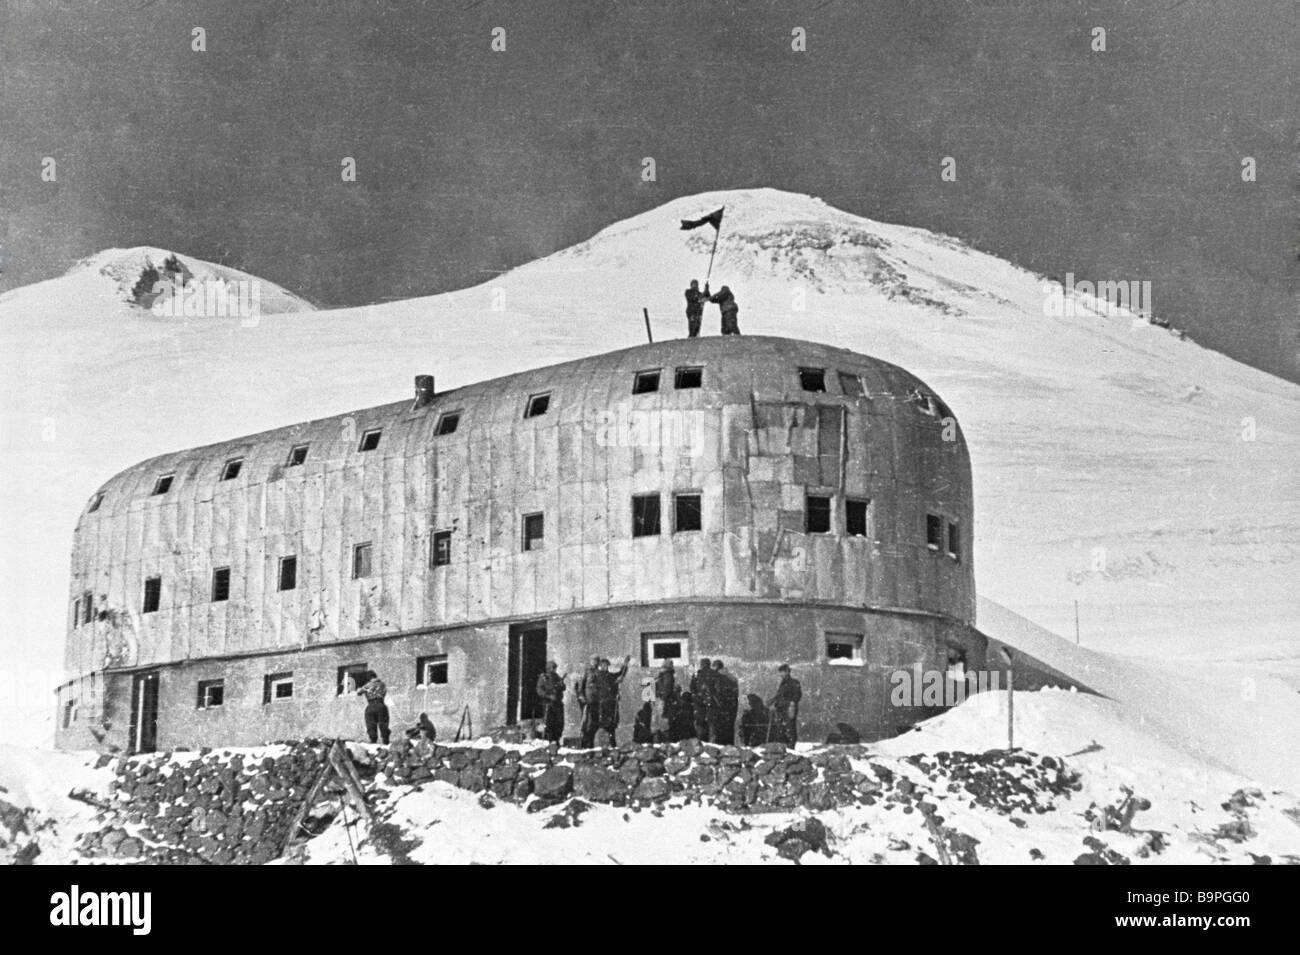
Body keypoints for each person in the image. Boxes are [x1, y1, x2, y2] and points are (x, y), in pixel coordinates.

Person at [769, 664, 802, 745]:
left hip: (788, 709)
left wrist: (792, 704)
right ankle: (784, 746)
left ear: (787, 672)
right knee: (781, 729)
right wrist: (772, 701)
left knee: (790, 728)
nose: (781, 674)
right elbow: (779, 695)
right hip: (780, 709)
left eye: (782, 672)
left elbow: (797, 695)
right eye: (780, 672)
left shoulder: (794, 682)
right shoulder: (782, 683)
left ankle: (791, 747)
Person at [535, 660, 566, 744]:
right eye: (552, 668)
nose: (554, 670)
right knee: (549, 722)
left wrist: (561, 685)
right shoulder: (543, 677)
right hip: (548, 703)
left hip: (558, 703)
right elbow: (539, 690)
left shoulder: (557, 677)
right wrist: (548, 696)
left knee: (559, 722)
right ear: (548, 668)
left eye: (555, 668)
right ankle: (550, 740)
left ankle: (556, 739)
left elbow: (563, 688)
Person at [356, 670, 390, 744]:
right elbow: (384, 692)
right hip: (381, 705)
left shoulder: (367, 685)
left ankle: (373, 741)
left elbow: (358, 693)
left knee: (371, 725)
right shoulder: (382, 684)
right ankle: (385, 741)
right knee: (383, 724)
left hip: (371, 706)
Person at [710, 659, 739, 745]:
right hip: (732, 708)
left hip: (722, 709)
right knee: (729, 731)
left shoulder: (719, 678)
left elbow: (719, 694)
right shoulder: (732, 678)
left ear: (716, 667)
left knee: (720, 733)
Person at [576, 654, 601, 747]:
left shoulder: (599, 672)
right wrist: (582, 697)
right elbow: (580, 686)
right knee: (587, 723)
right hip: (587, 701)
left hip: (597, 701)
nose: (595, 662)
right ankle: (585, 743)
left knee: (595, 722)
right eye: (593, 660)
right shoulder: (586, 671)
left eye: (597, 660)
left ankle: (590, 741)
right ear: (590, 661)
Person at [690, 657, 716, 741]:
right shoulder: (714, 674)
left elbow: (692, 688)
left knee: (700, 725)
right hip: (711, 703)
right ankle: (712, 745)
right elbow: (718, 689)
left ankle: (700, 743)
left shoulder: (697, 674)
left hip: (699, 704)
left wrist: (697, 698)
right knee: (711, 725)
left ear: (701, 665)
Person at [653, 659, 679, 743]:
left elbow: (665, 690)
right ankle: (664, 743)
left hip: (662, 702)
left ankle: (661, 743)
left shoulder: (665, 676)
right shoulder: (667, 676)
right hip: (663, 702)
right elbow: (666, 690)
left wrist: (660, 696)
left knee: (660, 724)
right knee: (663, 725)